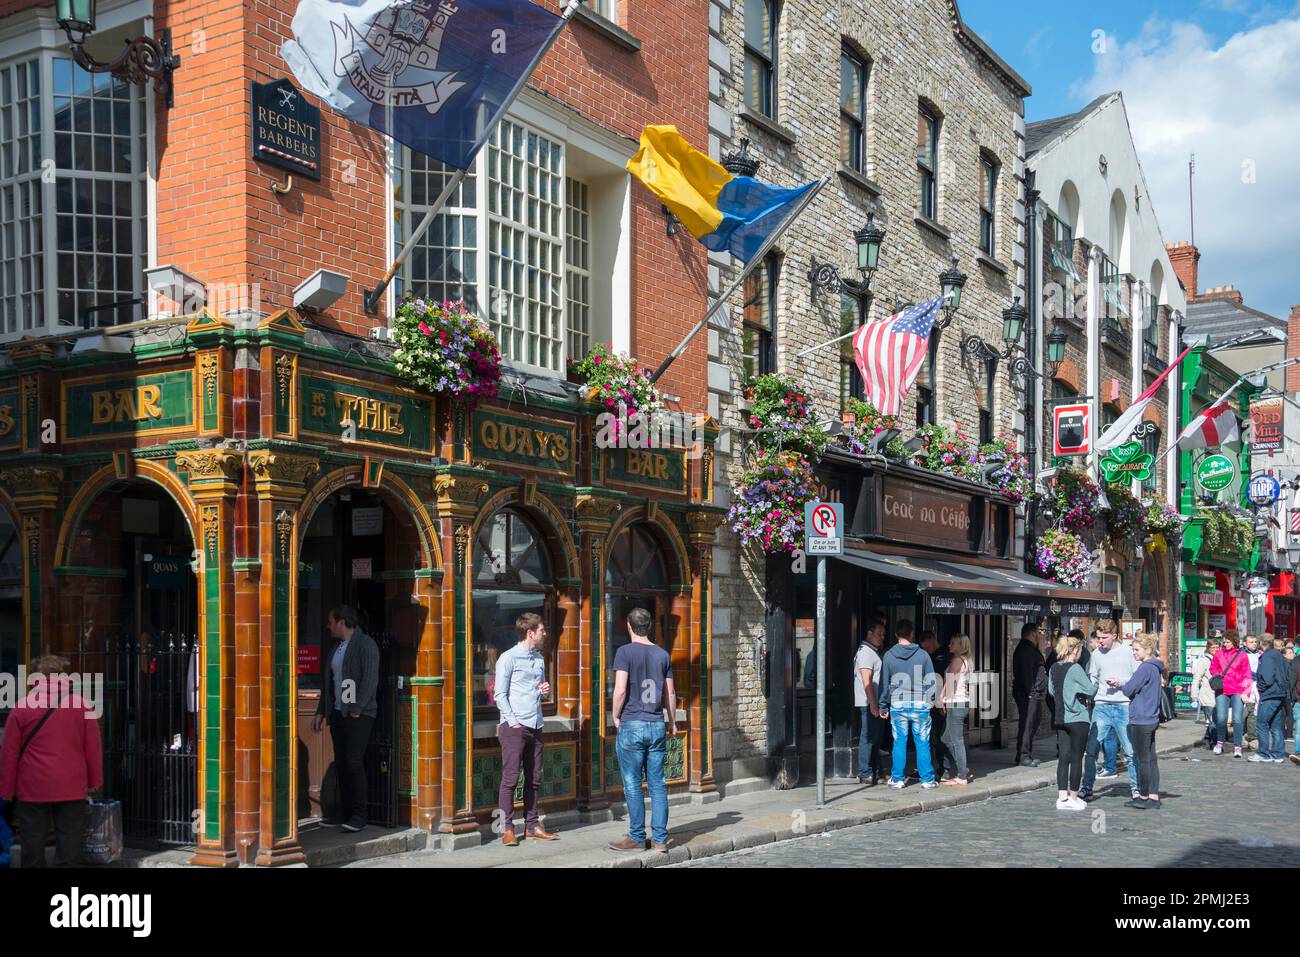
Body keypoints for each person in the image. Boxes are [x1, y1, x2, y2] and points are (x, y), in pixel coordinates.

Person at [0, 655, 103, 867]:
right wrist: (95, 781)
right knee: (69, 845)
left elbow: (9, 753)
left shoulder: (23, 706)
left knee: (32, 844)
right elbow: (93, 748)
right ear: (63, 676)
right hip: (71, 785)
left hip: (33, 786)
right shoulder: (81, 705)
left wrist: (7, 790)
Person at [608, 608, 677, 853]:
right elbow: (669, 693)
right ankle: (660, 839)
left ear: (629, 626)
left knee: (633, 783)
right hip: (656, 723)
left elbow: (620, 690)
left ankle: (637, 837)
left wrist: (615, 715)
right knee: (658, 783)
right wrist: (672, 721)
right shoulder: (662, 654)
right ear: (649, 627)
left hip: (632, 724)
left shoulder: (624, 652)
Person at [492, 611, 559, 846]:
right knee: (510, 779)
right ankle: (507, 828)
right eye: (542, 630)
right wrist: (512, 721)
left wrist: (544, 691)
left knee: (533, 779)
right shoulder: (508, 658)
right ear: (530, 632)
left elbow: (538, 691)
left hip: (536, 724)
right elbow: (499, 694)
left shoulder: (539, 658)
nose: (545, 633)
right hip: (514, 727)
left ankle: (532, 825)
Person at [312, 605, 380, 832]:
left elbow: (370, 680)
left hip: (359, 715)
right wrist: (321, 711)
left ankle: (359, 815)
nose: (328, 626)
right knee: (342, 763)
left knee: (353, 762)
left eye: (331, 621)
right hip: (339, 713)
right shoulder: (336, 648)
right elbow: (329, 683)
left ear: (342, 622)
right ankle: (344, 812)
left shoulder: (365, 644)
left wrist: (358, 709)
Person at [1079, 620, 1140, 802]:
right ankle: (1087, 787)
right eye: (1098, 638)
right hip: (1101, 706)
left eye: (1104, 638)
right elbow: (1094, 678)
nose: (1100, 642)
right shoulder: (1096, 654)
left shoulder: (1129, 652)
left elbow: (1137, 678)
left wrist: (1120, 681)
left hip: (1123, 705)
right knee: (1092, 749)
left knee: (1130, 751)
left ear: (1114, 635)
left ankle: (1136, 788)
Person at [878, 620, 936, 789]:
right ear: (912, 634)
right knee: (922, 742)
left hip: (898, 703)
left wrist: (883, 705)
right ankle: (927, 779)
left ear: (896, 635)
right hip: (920, 703)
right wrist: (930, 701)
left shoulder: (888, 655)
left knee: (899, 742)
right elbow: (931, 681)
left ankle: (897, 779)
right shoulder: (923, 655)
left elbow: (883, 684)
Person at [1110, 633, 1164, 809]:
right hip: (1151, 717)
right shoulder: (1155, 667)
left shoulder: (1145, 668)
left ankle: (1144, 795)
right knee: (1151, 758)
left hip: (1141, 718)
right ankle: (1153, 796)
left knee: (1143, 759)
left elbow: (1129, 689)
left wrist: (1120, 684)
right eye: (1132, 649)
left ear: (1147, 650)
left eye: (1136, 649)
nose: (1133, 652)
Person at [1048, 634, 1093, 810]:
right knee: (1076, 758)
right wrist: (1078, 694)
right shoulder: (1075, 669)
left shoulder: (1053, 668)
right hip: (1077, 718)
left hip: (1060, 717)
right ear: (1075, 650)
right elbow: (1089, 690)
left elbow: (1052, 691)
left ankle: (1062, 797)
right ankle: (1073, 797)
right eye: (1080, 650)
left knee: (1063, 758)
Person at [853, 616, 887, 786]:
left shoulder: (871, 651)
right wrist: (873, 703)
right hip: (868, 703)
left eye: (883, 634)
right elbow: (867, 680)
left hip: (873, 702)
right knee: (868, 738)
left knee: (875, 738)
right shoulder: (866, 652)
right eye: (879, 634)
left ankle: (876, 771)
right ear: (869, 633)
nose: (882, 637)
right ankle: (865, 772)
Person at [1210, 632, 1251, 757]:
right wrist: (1218, 675)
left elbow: (1247, 673)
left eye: (1228, 642)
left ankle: (1237, 746)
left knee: (1237, 719)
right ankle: (1220, 742)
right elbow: (1213, 668)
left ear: (1234, 642)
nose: (1225, 644)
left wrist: (1246, 688)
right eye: (1224, 642)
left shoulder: (1242, 655)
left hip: (1237, 689)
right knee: (1221, 718)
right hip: (1222, 689)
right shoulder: (1219, 653)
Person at [1012, 622, 1048, 767]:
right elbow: (1026, 674)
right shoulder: (1025, 650)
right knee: (1027, 724)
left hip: (1034, 693)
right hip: (1028, 694)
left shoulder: (1030, 648)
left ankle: (1027, 752)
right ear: (1033, 633)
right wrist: (1030, 693)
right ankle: (1023, 755)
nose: (1041, 636)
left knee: (1033, 723)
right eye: (1039, 633)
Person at [939, 635, 973, 787]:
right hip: (960, 703)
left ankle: (961, 776)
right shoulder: (966, 660)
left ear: (960, 645)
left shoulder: (958, 660)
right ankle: (962, 767)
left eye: (952, 643)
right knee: (946, 738)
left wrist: (942, 699)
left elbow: (950, 682)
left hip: (956, 703)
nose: (949, 644)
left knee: (956, 740)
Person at [1251, 636, 1289, 764]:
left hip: (1270, 694)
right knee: (1275, 725)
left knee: (1261, 724)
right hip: (1279, 694)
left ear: (1261, 643)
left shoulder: (1267, 656)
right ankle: (1278, 754)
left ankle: (1264, 754)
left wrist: (1260, 687)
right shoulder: (1278, 655)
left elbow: (1267, 678)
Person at [919, 630, 949, 776]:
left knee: (940, 735)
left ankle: (944, 768)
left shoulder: (944, 654)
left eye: (928, 647)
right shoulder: (927, 656)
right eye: (924, 648)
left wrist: (941, 701)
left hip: (940, 700)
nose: (927, 650)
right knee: (930, 736)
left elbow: (946, 679)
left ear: (932, 639)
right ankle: (930, 767)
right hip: (928, 700)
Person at [1190, 637, 1221, 748]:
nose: (1215, 650)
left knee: (1215, 719)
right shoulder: (1203, 661)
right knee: (1213, 720)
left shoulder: (1220, 659)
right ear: (1208, 648)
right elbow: (1196, 678)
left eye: (1217, 647)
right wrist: (1194, 694)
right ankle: (1214, 744)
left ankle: (1208, 739)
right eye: (1213, 647)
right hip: (1207, 694)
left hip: (1218, 694)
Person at [1242, 634, 1262, 750]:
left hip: (1257, 686)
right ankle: (1244, 734)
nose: (1254, 644)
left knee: (1253, 712)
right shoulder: (1241, 654)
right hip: (1245, 685)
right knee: (1245, 712)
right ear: (1245, 643)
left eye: (1255, 642)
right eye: (1251, 642)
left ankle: (1252, 736)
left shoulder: (1260, 654)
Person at [1287, 642, 1300, 766]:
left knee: (1299, 730)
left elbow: (1291, 681)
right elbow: (1291, 682)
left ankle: (1299, 753)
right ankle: (1298, 753)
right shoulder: (1296, 662)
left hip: (1298, 700)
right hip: (1298, 700)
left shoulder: (1295, 662)